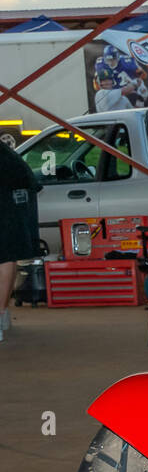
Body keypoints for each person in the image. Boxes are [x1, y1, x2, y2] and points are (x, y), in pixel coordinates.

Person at [0, 140, 41, 342]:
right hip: (17, 200)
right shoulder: (6, 153)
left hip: (7, 201)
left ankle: (0, 318)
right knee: (8, 255)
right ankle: (2, 314)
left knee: (5, 255)